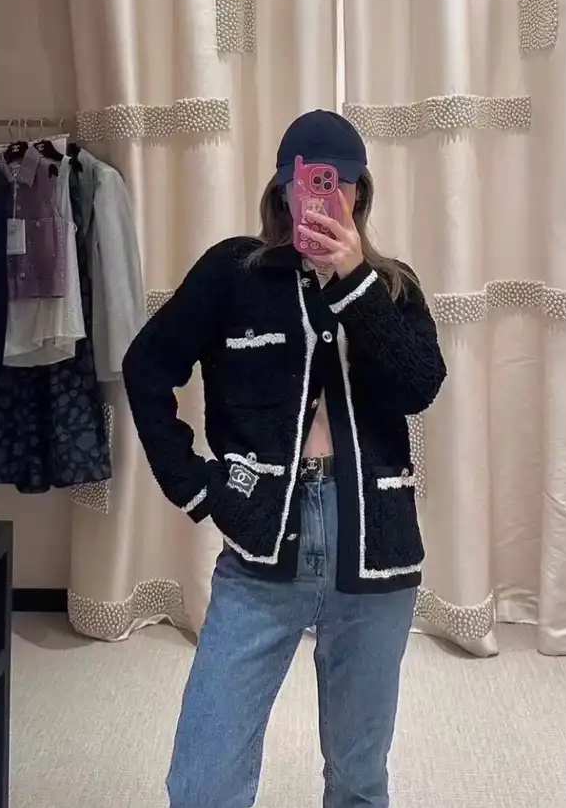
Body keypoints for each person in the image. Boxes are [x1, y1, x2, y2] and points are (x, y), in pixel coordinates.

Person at [122, 109, 447, 808]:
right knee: (202, 783)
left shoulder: (391, 287)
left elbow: (419, 386)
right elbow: (146, 367)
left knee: (358, 780)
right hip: (261, 548)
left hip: (375, 554)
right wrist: (198, 488)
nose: (326, 197)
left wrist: (352, 279)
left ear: (360, 192)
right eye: (311, 183)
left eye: (341, 183)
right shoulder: (234, 275)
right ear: (282, 190)